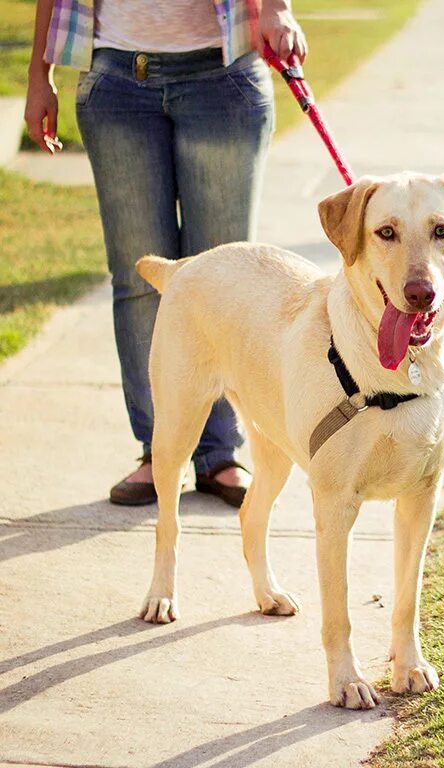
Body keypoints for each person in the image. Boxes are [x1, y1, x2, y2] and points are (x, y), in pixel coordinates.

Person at [24, 0, 306, 507]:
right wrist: (38, 74)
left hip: (221, 75)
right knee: (138, 278)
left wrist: (279, 8)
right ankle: (159, 451)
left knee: (229, 285)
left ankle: (219, 453)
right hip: (116, 79)